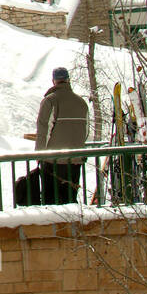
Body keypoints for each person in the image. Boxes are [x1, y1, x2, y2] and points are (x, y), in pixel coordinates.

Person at [35, 66, 89, 204]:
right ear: (67, 80)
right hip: (75, 160)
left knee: (51, 202)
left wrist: (39, 154)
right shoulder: (82, 103)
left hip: (53, 161)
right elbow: (86, 131)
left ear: (54, 81)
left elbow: (44, 130)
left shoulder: (50, 100)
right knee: (70, 201)